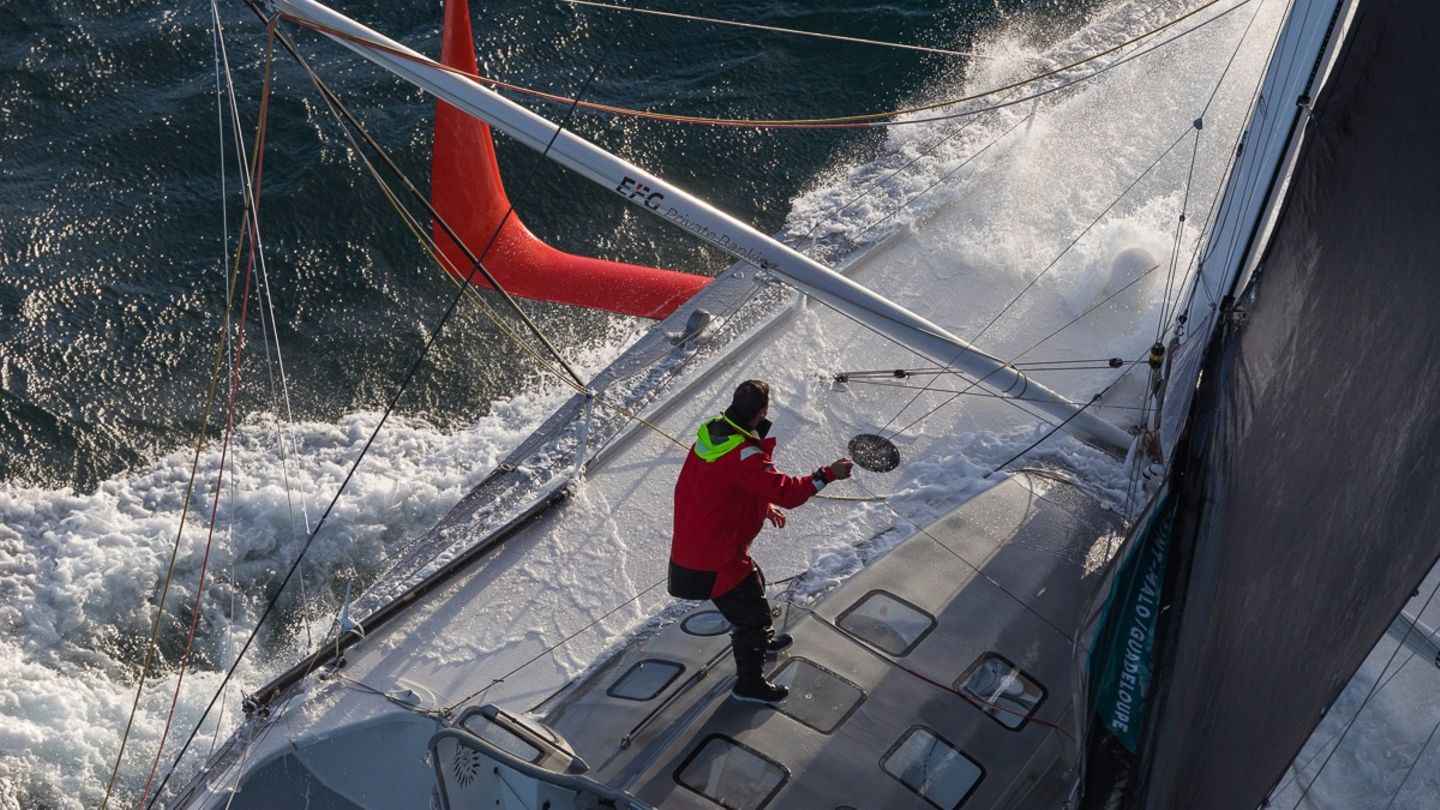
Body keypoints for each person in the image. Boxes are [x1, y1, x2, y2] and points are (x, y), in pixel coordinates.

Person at [669, 380, 853, 705]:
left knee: (754, 586)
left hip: (700, 548)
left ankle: (760, 643)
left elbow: (720, 487)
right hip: (716, 561)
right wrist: (828, 474)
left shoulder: (713, 436)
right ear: (762, 412)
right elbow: (788, 493)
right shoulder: (744, 455)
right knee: (751, 618)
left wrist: (762, 505)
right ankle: (749, 685)